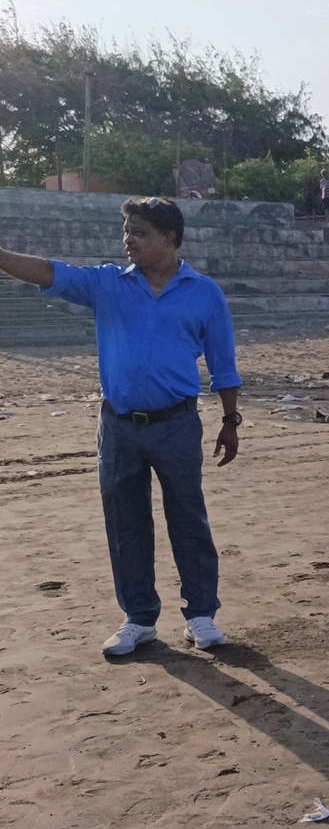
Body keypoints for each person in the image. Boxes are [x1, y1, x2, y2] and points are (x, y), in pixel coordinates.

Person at [0, 197, 242, 656]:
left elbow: (223, 363)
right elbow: (49, 271)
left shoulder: (204, 292)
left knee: (188, 519)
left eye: (140, 232)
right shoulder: (106, 284)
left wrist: (230, 421)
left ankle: (201, 615)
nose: (128, 239)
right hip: (119, 427)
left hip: (177, 424)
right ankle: (139, 618)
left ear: (170, 238)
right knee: (125, 523)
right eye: (126, 230)